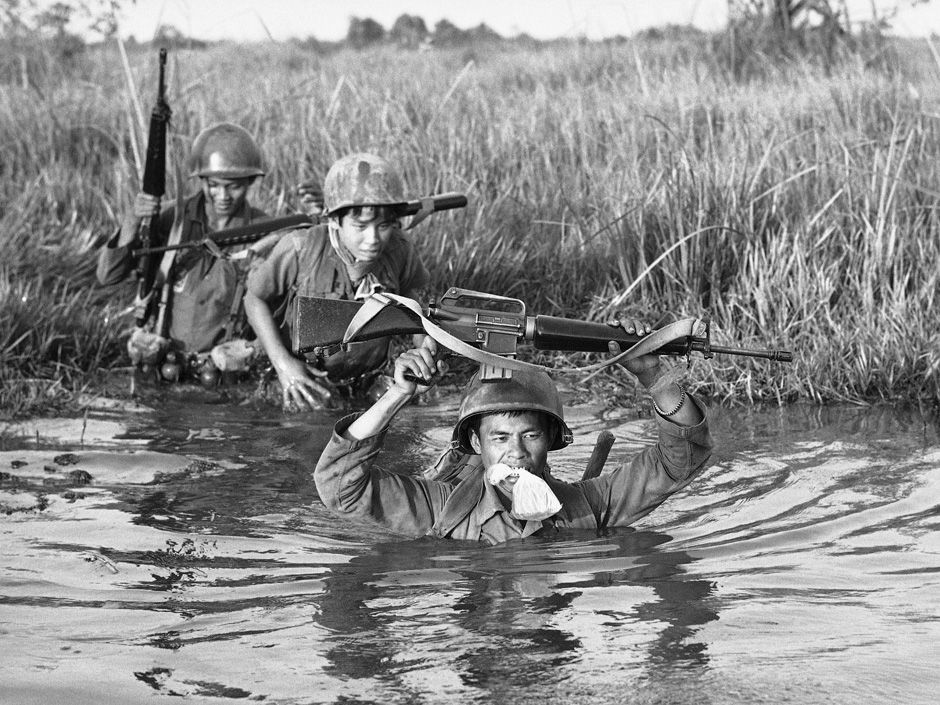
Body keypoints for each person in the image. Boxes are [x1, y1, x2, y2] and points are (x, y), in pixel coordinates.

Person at [314, 320, 714, 545]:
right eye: (500, 438)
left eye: (531, 436)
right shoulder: (442, 511)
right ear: (477, 442)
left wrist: (655, 376)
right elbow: (339, 486)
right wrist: (398, 394)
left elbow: (680, 461)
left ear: (552, 441)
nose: (517, 453)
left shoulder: (586, 507)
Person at [97, 122, 304, 378]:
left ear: (250, 182)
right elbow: (108, 275)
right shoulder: (172, 219)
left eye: (234, 186)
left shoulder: (266, 233)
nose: (223, 195)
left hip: (224, 380)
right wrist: (132, 221)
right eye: (214, 185)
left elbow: (287, 314)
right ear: (201, 180)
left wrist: (253, 349)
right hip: (162, 373)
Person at [244, 152, 430, 411]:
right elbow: (254, 299)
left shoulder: (401, 250)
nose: (373, 239)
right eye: (360, 226)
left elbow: (418, 313)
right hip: (302, 375)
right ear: (334, 220)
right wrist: (283, 364)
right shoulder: (300, 248)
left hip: (367, 380)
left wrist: (425, 357)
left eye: (384, 226)